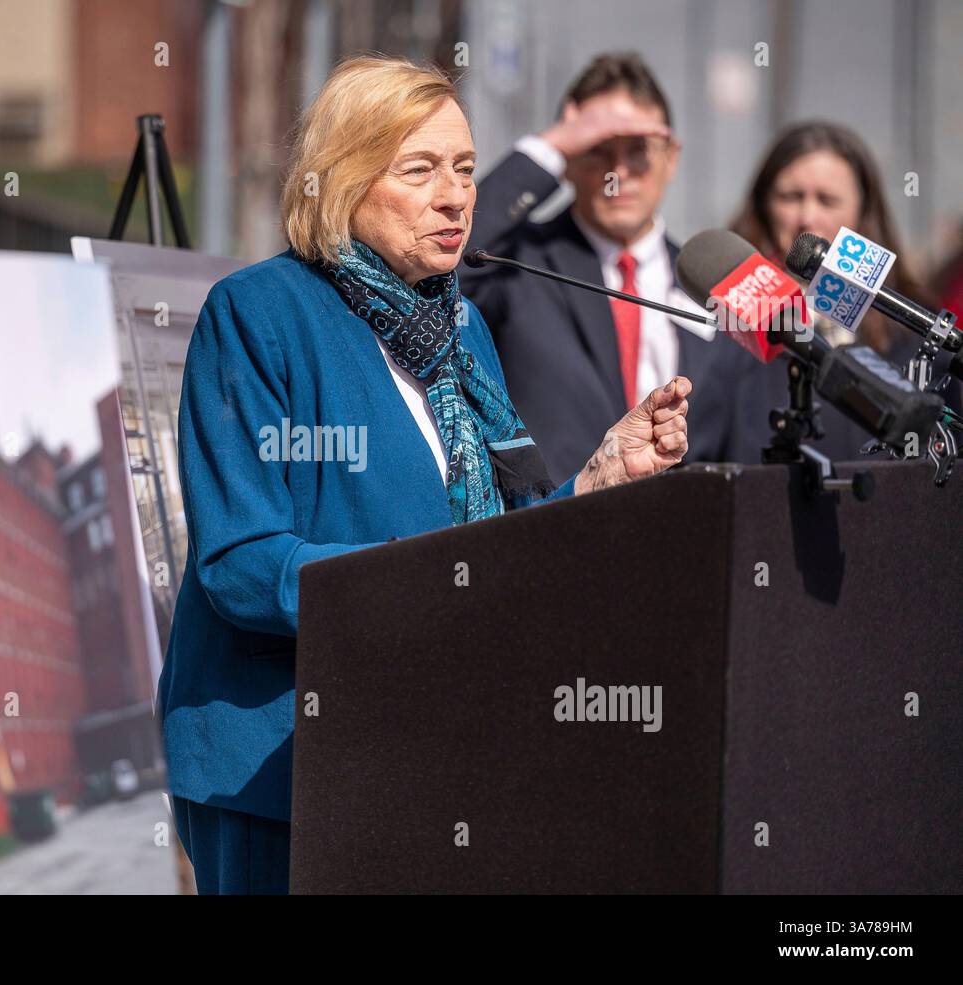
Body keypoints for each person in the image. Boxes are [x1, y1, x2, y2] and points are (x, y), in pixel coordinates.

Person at [156, 55, 694, 895]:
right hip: (278, 767)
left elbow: (487, 546)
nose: (456, 197)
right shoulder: (259, 311)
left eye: (467, 169)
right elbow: (241, 562)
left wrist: (593, 479)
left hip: (433, 751)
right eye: (421, 169)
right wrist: (415, 588)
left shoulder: (462, 325)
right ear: (341, 179)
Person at [462, 52, 752, 482]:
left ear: (672, 157)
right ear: (569, 161)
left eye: (638, 150)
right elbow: (443, 259)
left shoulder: (715, 276)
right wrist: (549, 147)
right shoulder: (516, 263)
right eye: (598, 149)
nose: (619, 172)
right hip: (552, 530)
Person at [727, 120, 955, 462]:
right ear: (763, 206)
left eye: (827, 200)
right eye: (790, 197)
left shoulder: (915, 330)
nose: (807, 217)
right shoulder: (725, 318)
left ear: (862, 211)